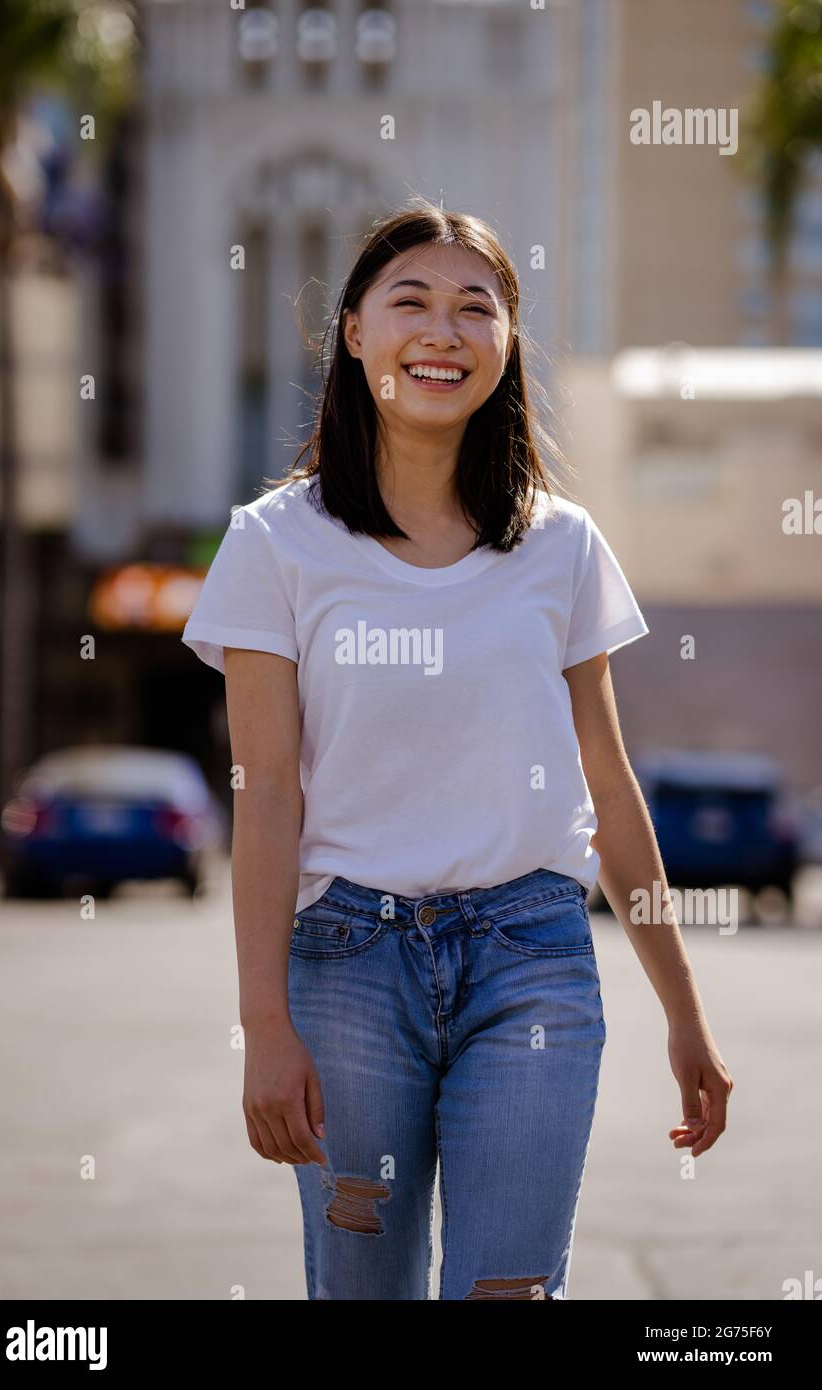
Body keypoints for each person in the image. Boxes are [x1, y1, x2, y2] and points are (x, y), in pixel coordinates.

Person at [182, 200, 733, 1301]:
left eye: (474, 310)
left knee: (508, 1293)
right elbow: (268, 795)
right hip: (344, 966)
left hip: (528, 957)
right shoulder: (274, 543)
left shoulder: (561, 546)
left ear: (505, 346)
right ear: (352, 334)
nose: (443, 332)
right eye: (410, 303)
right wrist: (263, 1024)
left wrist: (684, 1016)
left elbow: (608, 786)